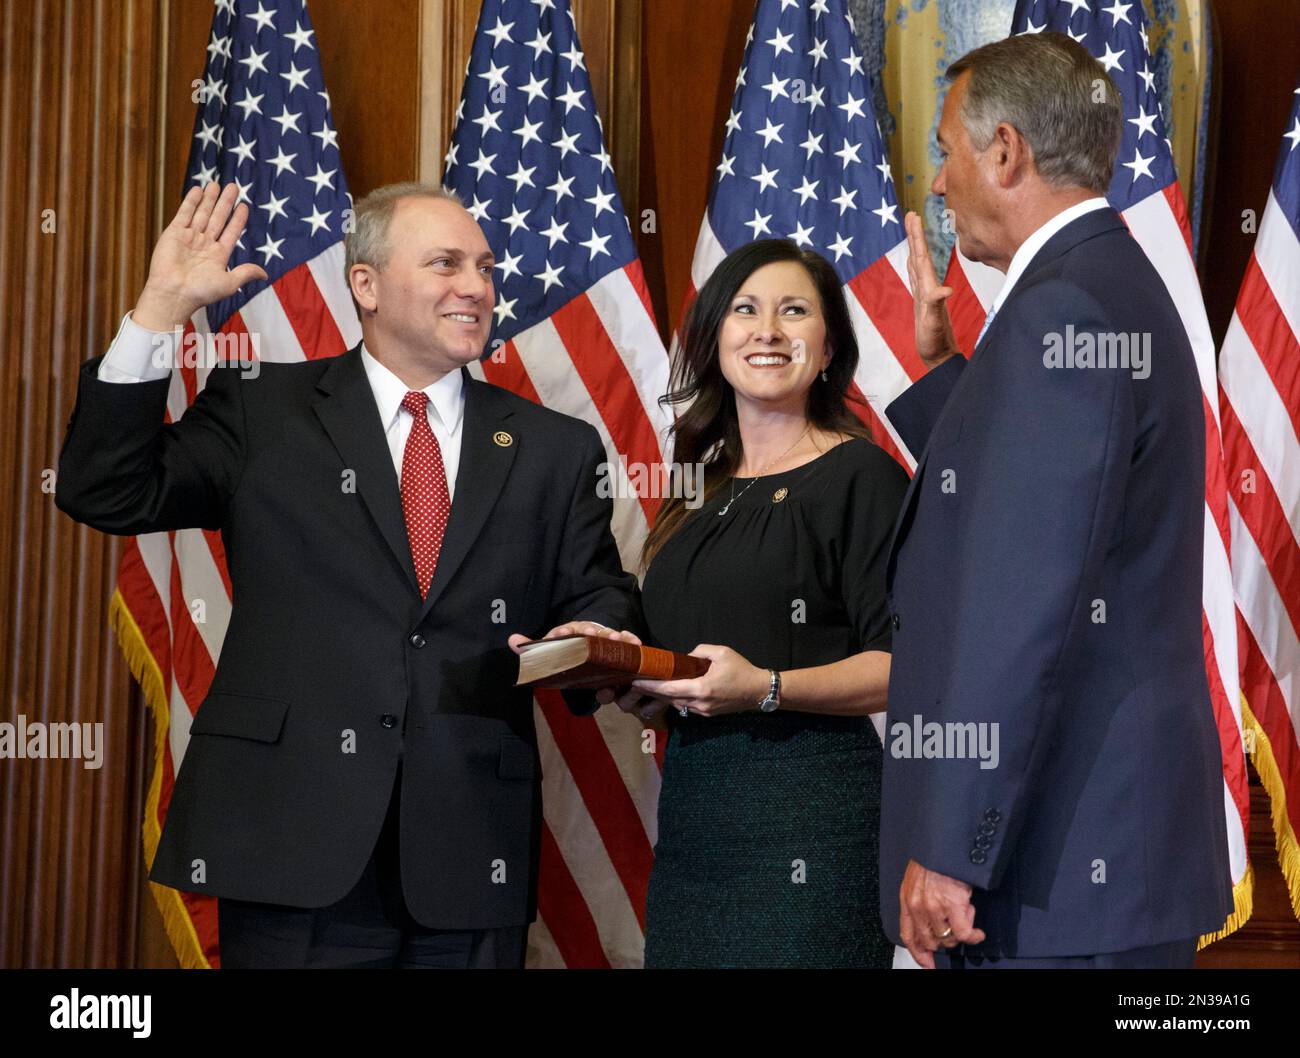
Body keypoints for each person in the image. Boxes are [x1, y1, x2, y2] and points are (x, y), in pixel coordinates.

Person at [55, 181, 640, 968]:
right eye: (445, 263)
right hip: (289, 843)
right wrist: (159, 310)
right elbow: (107, 488)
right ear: (365, 284)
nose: (476, 286)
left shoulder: (554, 448)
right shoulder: (264, 410)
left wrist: (598, 634)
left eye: (485, 267)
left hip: (469, 852)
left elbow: (595, 595)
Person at [879, 32, 1234, 970]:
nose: (941, 185)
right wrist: (942, 371)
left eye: (948, 151)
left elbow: (1023, 609)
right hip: (1107, 867)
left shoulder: (1061, 308)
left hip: (1059, 875)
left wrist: (952, 846)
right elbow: (1055, 506)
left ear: (1006, 151)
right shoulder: (1102, 283)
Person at [610, 239, 909, 968]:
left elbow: (908, 667)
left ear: (830, 345)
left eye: (794, 311)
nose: (768, 330)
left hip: (811, 826)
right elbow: (692, 656)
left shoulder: (862, 475)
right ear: (715, 337)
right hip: (695, 827)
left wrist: (766, 689)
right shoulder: (696, 485)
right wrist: (626, 672)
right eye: (745, 309)